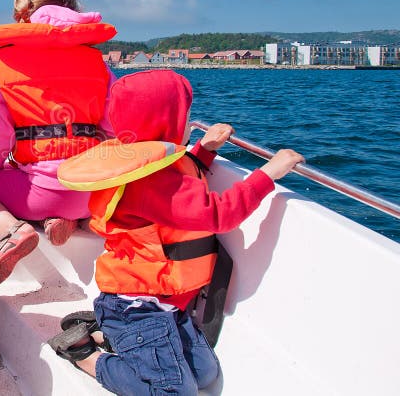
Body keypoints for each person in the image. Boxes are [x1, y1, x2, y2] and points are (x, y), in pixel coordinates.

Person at [49, 70, 305, 395]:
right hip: (137, 308)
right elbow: (217, 214)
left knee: (205, 374)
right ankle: (86, 355)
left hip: (165, 307)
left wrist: (205, 149)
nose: (188, 122)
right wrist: (268, 173)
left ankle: (109, 333)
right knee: (175, 391)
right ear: (164, 123)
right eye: (185, 115)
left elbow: (179, 177)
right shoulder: (150, 183)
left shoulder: (149, 167)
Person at [0, 0, 117, 288]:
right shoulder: (98, 63)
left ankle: (12, 230)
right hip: (93, 194)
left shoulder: (7, 66)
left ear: (21, 15)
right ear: (70, 8)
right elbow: (112, 129)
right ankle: (65, 221)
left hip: (40, 194)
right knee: (63, 191)